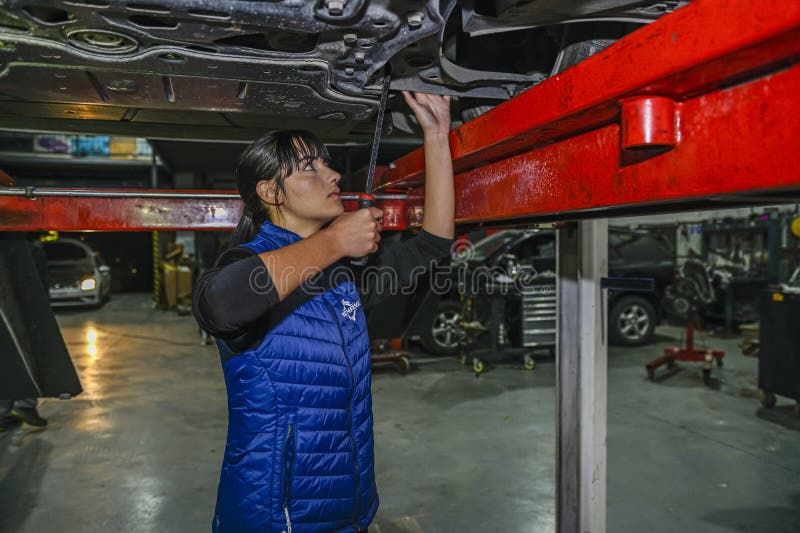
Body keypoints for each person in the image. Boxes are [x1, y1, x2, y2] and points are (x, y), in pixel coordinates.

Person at [193, 91, 454, 533]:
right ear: (270, 191)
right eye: (310, 167)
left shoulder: (340, 277)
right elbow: (219, 305)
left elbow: (432, 244)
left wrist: (437, 135)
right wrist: (335, 241)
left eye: (326, 163)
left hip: (351, 510)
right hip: (278, 520)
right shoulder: (245, 264)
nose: (333, 174)